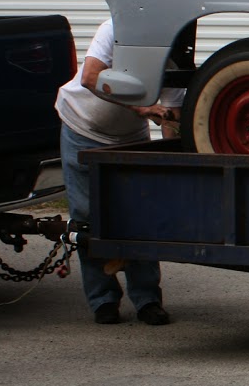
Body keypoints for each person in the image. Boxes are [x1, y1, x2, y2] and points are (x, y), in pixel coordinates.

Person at [55, 17, 180, 325]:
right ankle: (103, 301)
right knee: (87, 218)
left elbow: (171, 122)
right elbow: (90, 76)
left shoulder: (174, 56)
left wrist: (173, 169)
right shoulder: (114, 29)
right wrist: (142, 109)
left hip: (128, 138)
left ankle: (147, 299)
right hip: (81, 125)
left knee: (140, 217)